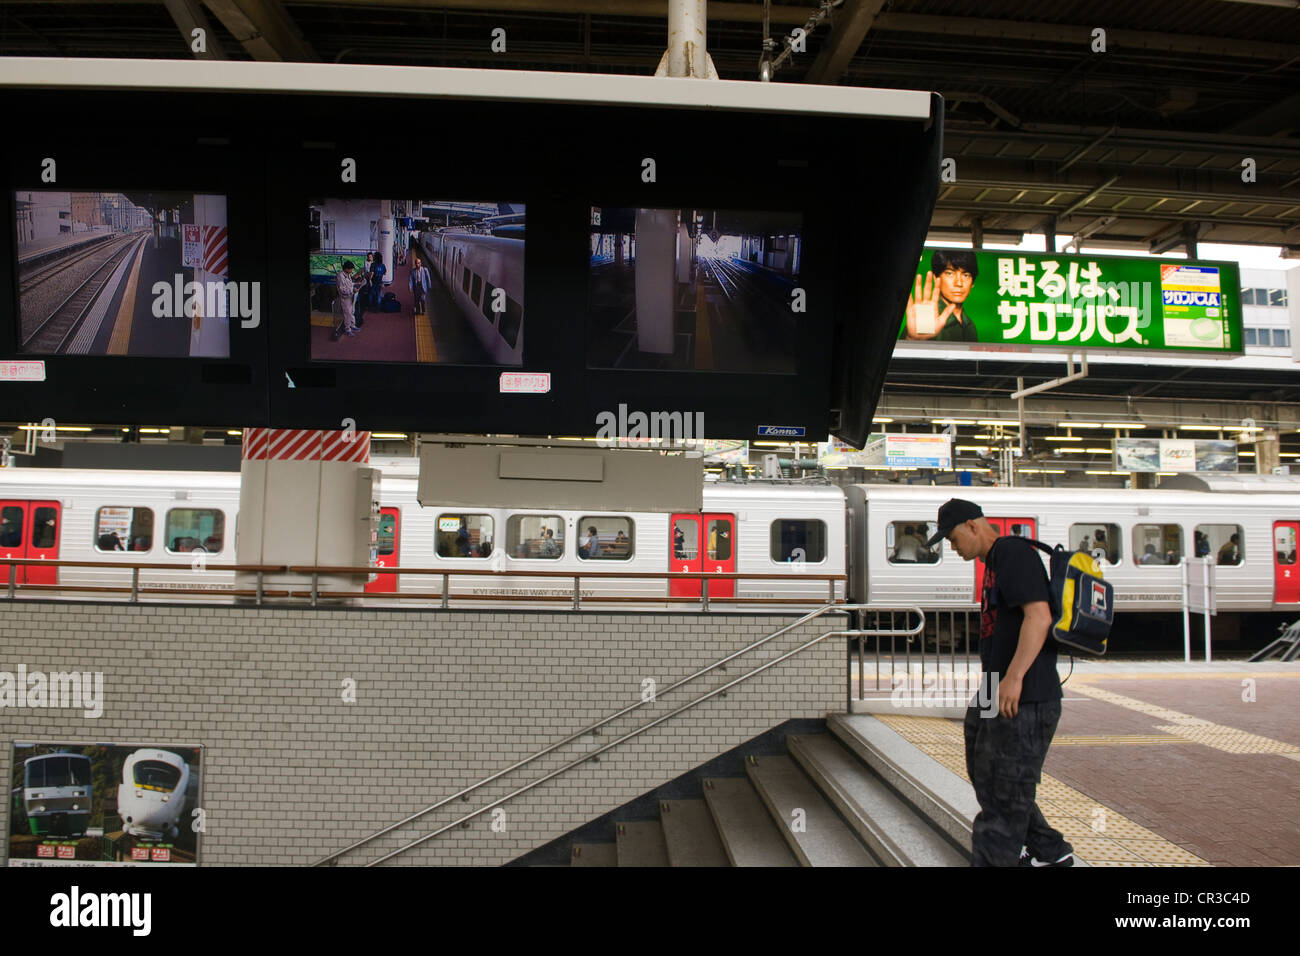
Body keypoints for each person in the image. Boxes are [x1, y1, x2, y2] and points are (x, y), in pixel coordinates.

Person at [928, 498, 1073, 867]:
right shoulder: (994, 562)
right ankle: (1050, 851)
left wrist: (1014, 676)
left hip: (1025, 693)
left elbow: (1038, 617)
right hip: (994, 688)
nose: (952, 546)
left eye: (953, 537)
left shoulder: (1012, 554)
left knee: (1006, 792)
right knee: (986, 777)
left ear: (973, 527)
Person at [902, 249, 980, 342]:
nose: (959, 283)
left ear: (972, 283)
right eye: (950, 273)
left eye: (966, 275)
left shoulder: (970, 326)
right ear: (936, 278)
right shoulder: (925, 317)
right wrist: (912, 339)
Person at [332, 261, 364, 339]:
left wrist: (356, 285)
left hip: (351, 296)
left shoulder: (347, 274)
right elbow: (342, 290)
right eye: (351, 269)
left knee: (352, 311)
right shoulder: (340, 276)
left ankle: (352, 326)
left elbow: (349, 284)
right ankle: (347, 329)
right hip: (345, 298)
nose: (352, 271)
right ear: (346, 269)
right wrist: (352, 290)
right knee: (347, 314)